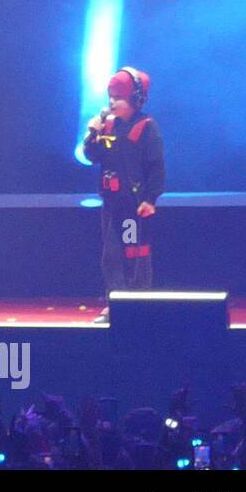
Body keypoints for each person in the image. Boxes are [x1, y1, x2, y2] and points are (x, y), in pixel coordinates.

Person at [82, 67, 164, 323]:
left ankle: (139, 302)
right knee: (112, 254)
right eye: (110, 96)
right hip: (112, 203)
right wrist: (92, 134)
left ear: (136, 98)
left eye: (118, 97)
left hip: (136, 204)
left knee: (136, 253)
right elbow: (92, 156)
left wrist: (150, 199)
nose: (112, 102)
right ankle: (115, 302)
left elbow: (156, 167)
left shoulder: (146, 127)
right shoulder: (107, 126)